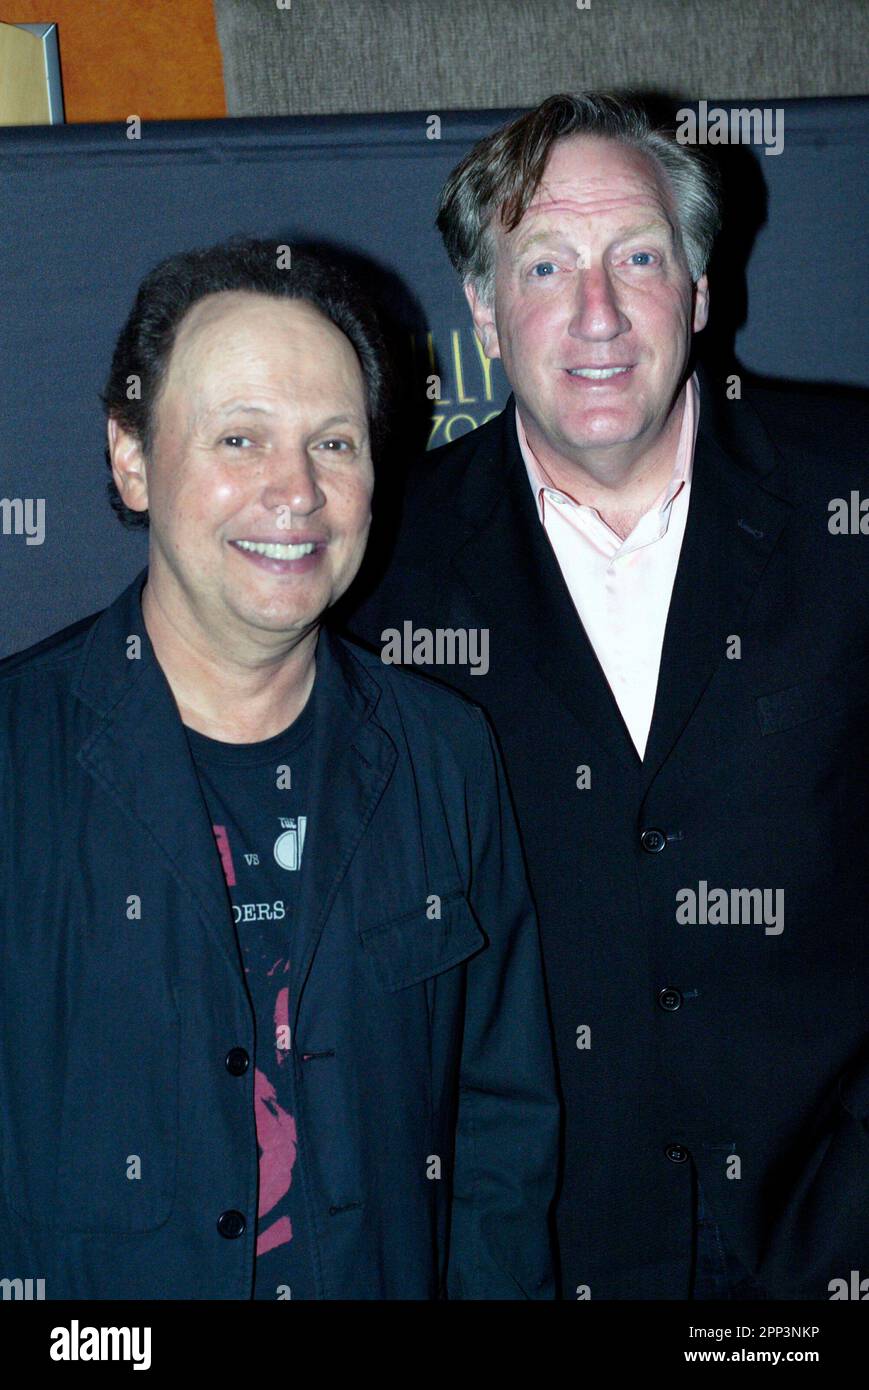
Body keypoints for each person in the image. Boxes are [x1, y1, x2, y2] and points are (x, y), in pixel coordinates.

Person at [347, 94, 869, 1300]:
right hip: (531, 1256)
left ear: (696, 284)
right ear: (481, 306)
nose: (595, 311)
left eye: (635, 255)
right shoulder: (375, 564)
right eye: (545, 264)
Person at [0, 237, 559, 1300]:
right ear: (130, 455)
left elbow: (501, 1132)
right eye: (239, 439)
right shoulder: (12, 760)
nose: (293, 491)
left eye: (334, 443)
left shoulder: (443, 757)